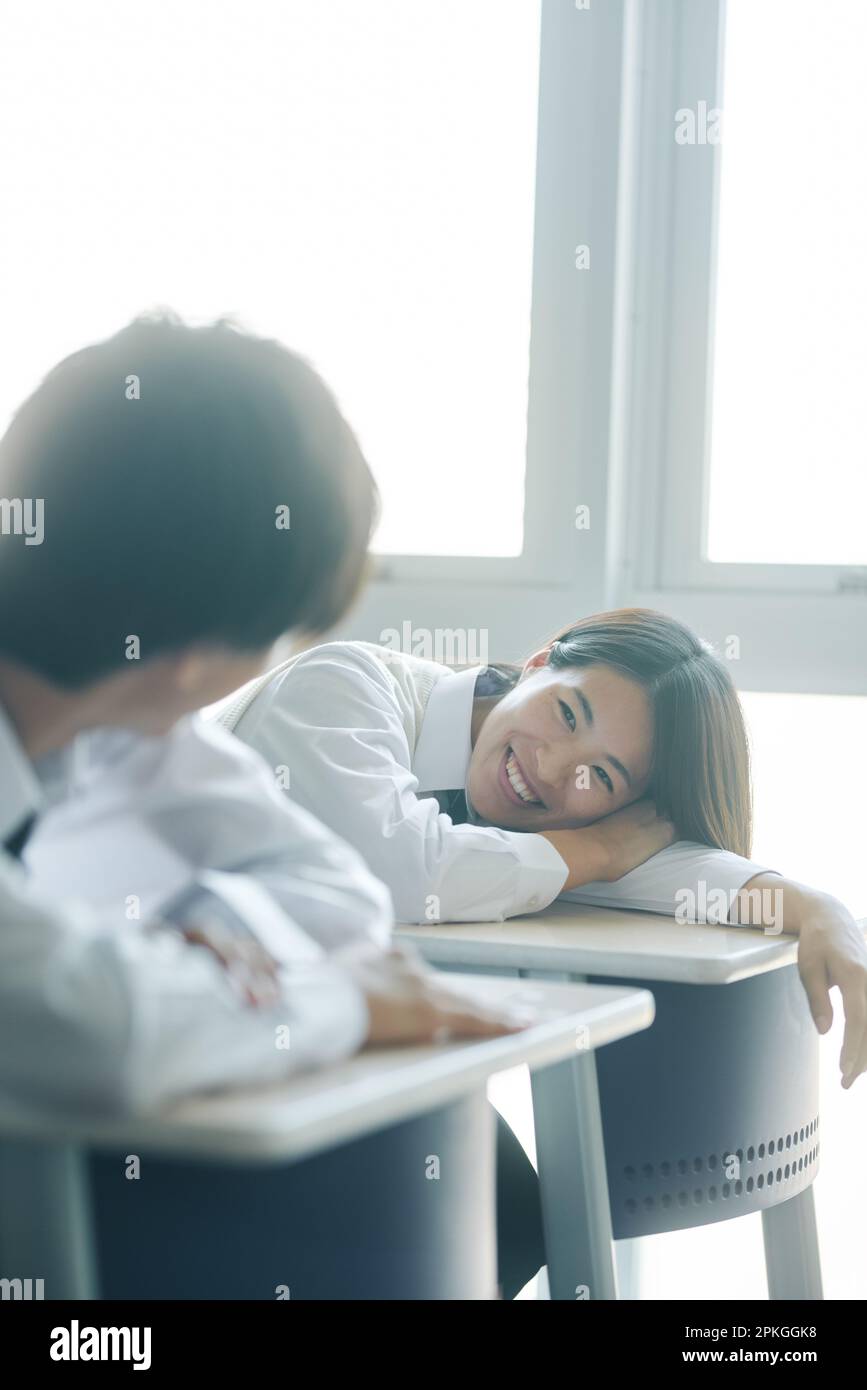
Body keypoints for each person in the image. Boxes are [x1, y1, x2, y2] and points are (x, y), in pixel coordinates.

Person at [0, 313, 528, 1121]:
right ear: (200, 659)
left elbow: (340, 900)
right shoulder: (127, 709)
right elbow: (103, 1032)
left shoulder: (119, 724)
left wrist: (186, 953)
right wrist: (337, 1001)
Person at [212, 612, 867, 1090]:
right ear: (537, 663)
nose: (552, 769)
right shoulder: (344, 684)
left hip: (307, 1050)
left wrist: (818, 908)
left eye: (601, 777)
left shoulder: (565, 828)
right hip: (170, 1056)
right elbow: (400, 871)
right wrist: (596, 847)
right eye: (567, 714)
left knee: (519, 1211)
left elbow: (658, 862)